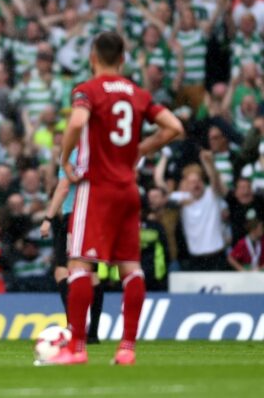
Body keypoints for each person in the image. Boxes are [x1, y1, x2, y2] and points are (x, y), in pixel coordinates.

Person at [50, 32, 183, 365]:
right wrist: (138, 150)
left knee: (79, 264)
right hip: (128, 190)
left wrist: (65, 159)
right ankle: (126, 349)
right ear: (122, 59)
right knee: (131, 269)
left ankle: (77, 348)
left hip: (95, 188)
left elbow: (78, 120)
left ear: (93, 57)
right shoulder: (138, 94)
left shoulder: (87, 90)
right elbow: (174, 127)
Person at [40, 147, 104, 344]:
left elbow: (63, 186)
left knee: (63, 271)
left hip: (74, 216)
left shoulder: (73, 153)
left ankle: (74, 328)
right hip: (96, 216)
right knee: (90, 273)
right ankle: (92, 332)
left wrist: (48, 218)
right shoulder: (100, 151)